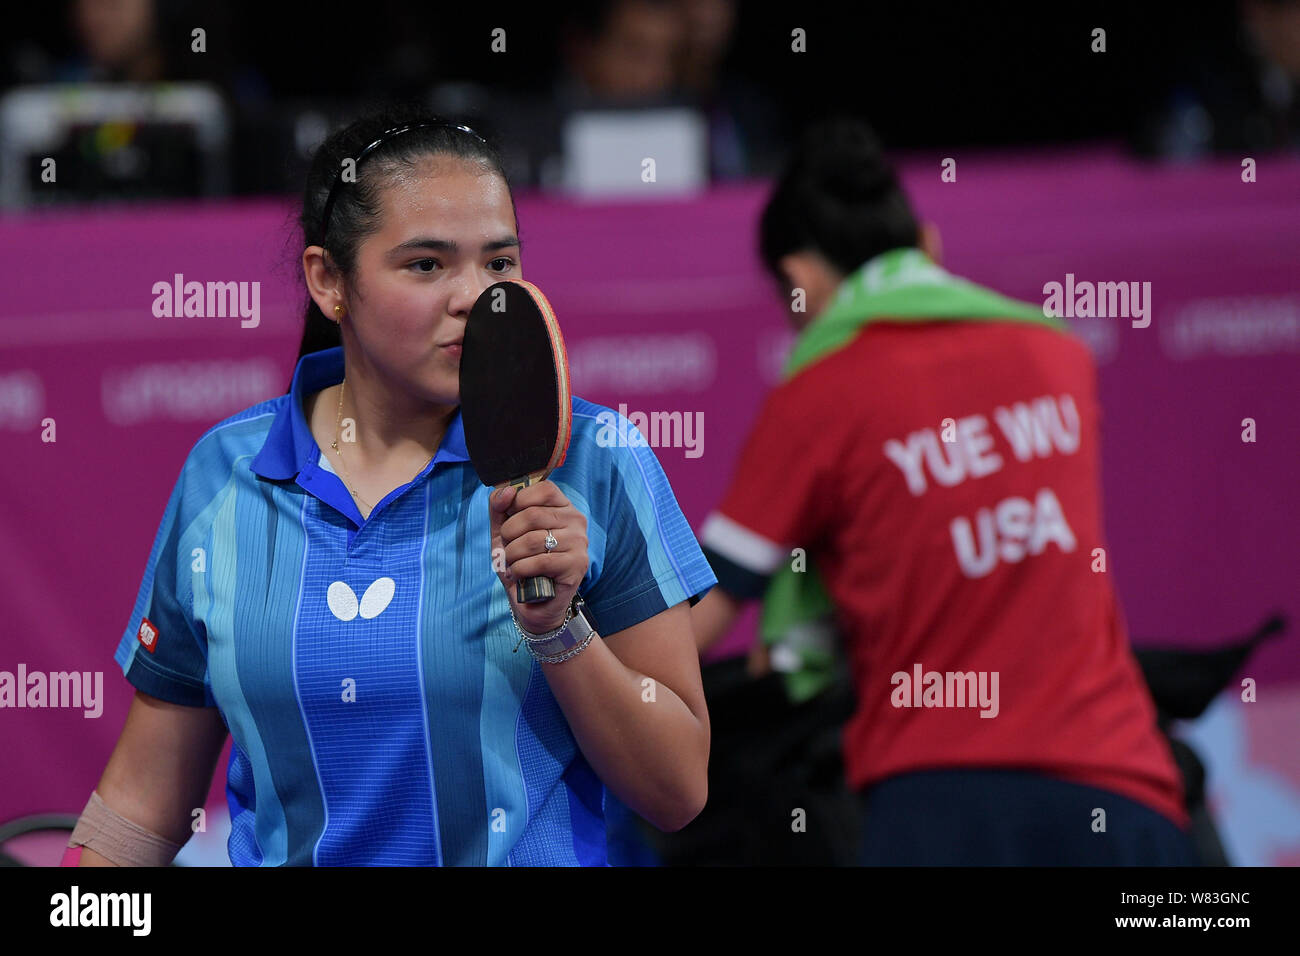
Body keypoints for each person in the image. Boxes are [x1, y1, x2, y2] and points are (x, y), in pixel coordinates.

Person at [67, 105, 714, 867]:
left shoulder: (595, 457)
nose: (474, 294)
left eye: (499, 262)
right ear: (329, 281)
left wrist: (560, 628)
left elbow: (677, 791)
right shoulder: (225, 474)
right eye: (426, 265)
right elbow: (146, 799)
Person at [690, 117, 1198, 866]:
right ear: (928, 248)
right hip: (1127, 801)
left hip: (939, 812)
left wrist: (561, 644)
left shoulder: (818, 395)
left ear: (799, 282)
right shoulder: (1059, 356)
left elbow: (694, 622)